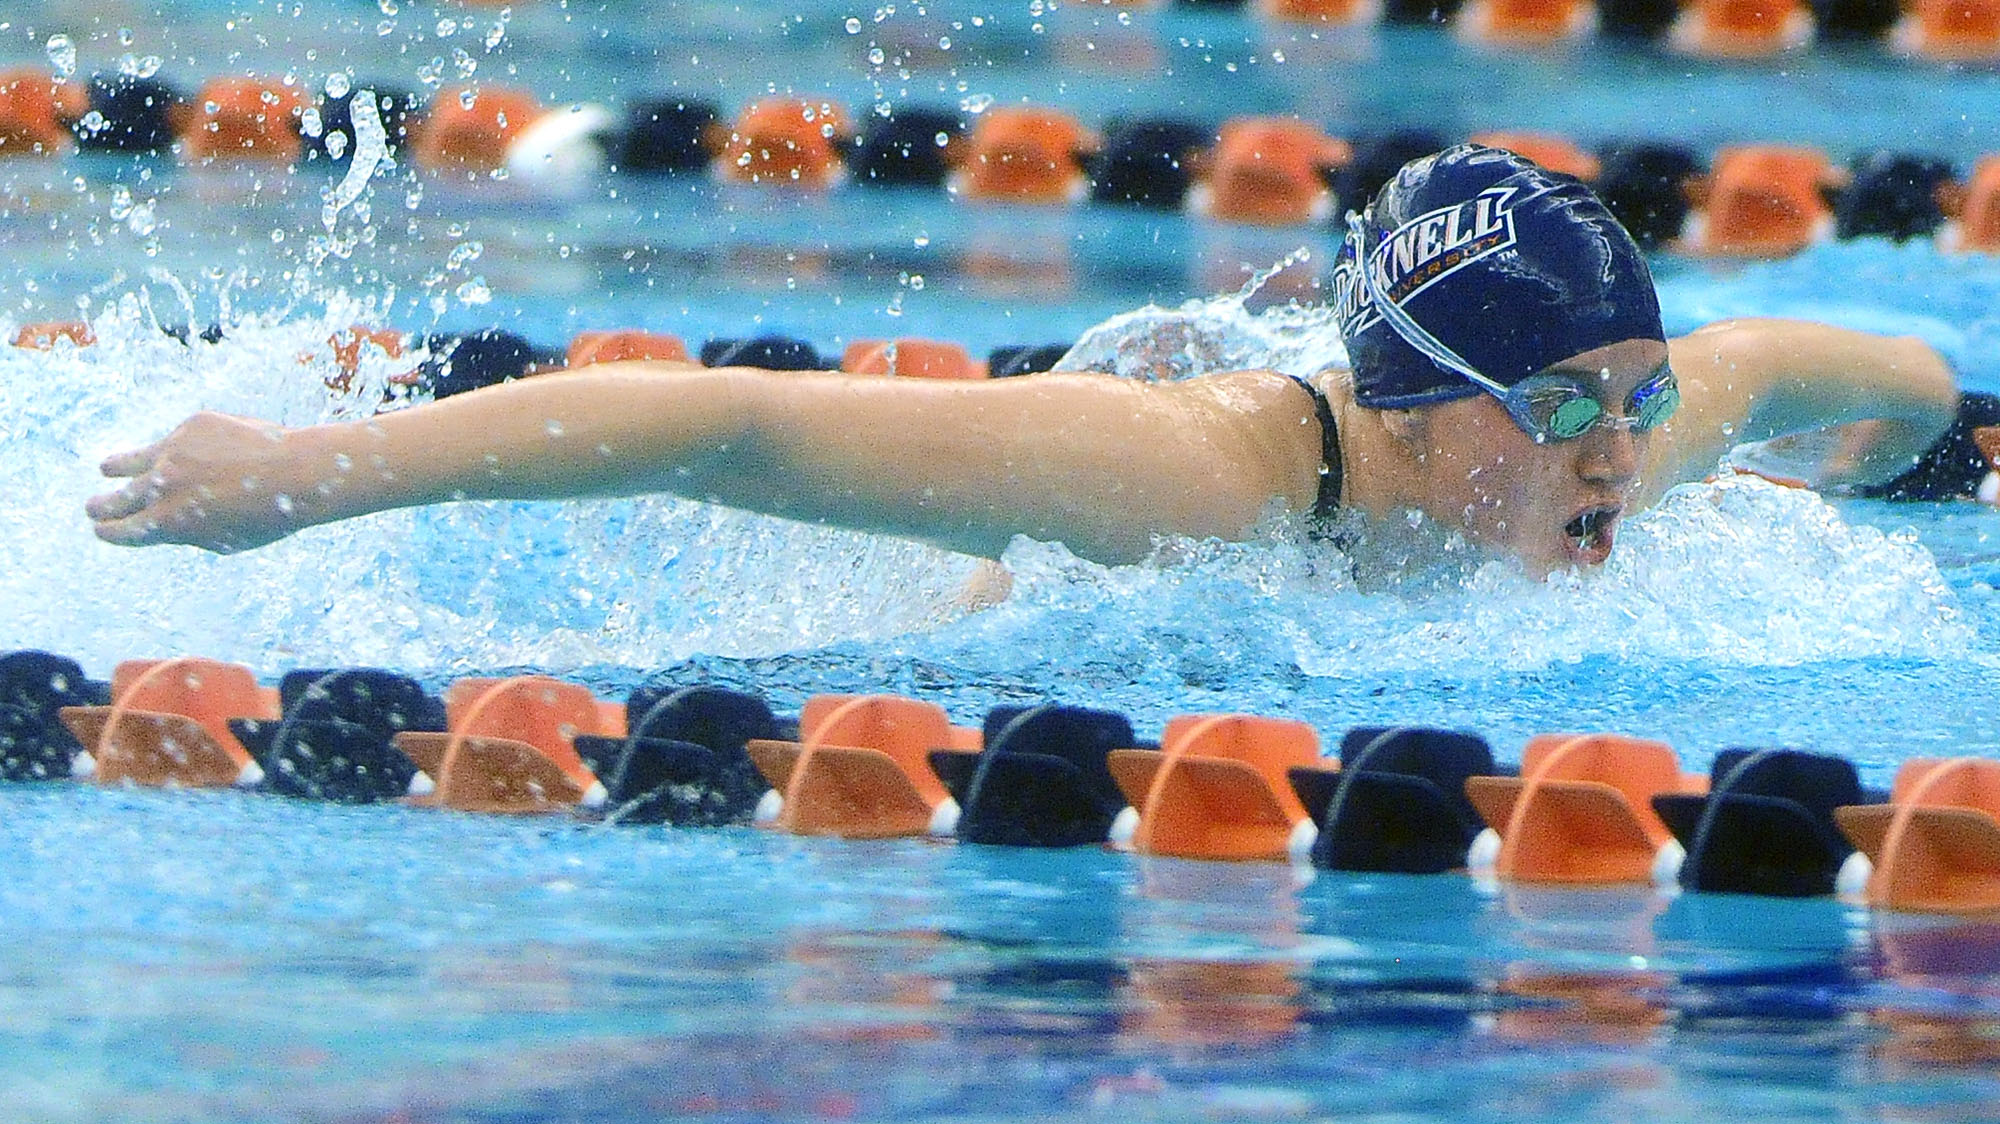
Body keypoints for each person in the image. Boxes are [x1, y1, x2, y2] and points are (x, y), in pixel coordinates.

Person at [87, 146, 1962, 578]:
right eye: (1562, 405)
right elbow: (728, 424)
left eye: (1634, 397)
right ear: (1408, 399)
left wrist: (1924, 450)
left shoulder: (1627, 433)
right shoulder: (1197, 484)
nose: (1620, 453)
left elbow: (1814, 359)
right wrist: (300, 476)